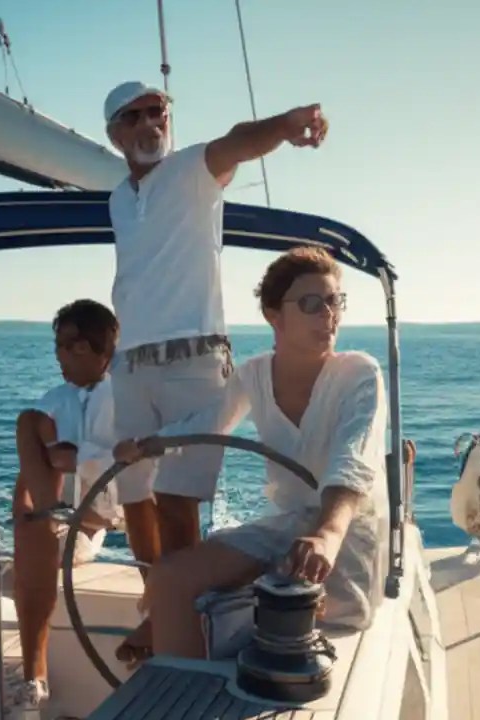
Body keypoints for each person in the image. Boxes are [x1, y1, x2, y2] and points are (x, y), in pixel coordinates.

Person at [102, 80, 331, 660]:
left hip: (194, 359)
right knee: (135, 499)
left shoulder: (191, 171)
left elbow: (235, 143)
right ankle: (161, 608)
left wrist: (283, 125)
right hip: (130, 363)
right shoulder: (116, 199)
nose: (150, 122)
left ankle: (179, 630)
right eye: (135, 116)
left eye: (159, 111)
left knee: (177, 500)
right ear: (115, 133)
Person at [113, 247, 389, 658]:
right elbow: (210, 421)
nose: (329, 315)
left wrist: (327, 535)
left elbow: (353, 459)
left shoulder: (360, 373)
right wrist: (150, 444)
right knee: (169, 580)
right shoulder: (255, 374)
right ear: (274, 316)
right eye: (312, 303)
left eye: (335, 301)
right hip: (285, 527)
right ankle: (180, 695)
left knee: (317, 616)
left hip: (344, 535)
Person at [7, 299, 160, 709]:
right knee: (33, 533)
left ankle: (161, 634)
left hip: (120, 511)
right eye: (57, 346)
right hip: (73, 517)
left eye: (66, 347)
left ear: (97, 349)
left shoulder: (129, 395)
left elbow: (142, 454)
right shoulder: (57, 399)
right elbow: (34, 465)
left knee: (38, 531)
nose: (58, 355)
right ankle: (34, 678)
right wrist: (25, 509)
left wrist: (79, 456)